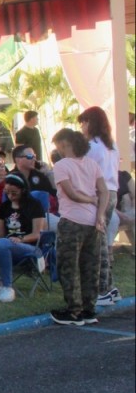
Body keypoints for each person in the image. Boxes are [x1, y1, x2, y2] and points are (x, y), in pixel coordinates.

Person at [49, 128, 107, 326]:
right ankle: (89, 309)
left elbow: (71, 193)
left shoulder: (61, 166)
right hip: (93, 222)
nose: (58, 150)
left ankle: (74, 311)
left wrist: (89, 199)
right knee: (90, 266)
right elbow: (104, 191)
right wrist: (100, 214)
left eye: (58, 146)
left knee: (69, 266)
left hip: (72, 220)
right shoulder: (92, 164)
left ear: (64, 144)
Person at [0, 174, 47, 303]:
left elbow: (37, 234)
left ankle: (8, 287)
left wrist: (20, 239)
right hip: (5, 244)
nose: (10, 196)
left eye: (14, 193)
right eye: (7, 192)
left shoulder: (34, 205)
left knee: (3, 243)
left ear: (23, 190)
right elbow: (1, 234)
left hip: (29, 247)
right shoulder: (4, 207)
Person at [78, 107, 120, 307]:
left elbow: (87, 172)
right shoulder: (111, 144)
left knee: (98, 244)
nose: (82, 127)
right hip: (112, 193)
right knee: (101, 240)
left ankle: (102, 289)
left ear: (91, 123)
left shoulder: (92, 146)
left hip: (99, 194)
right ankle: (110, 287)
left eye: (84, 122)